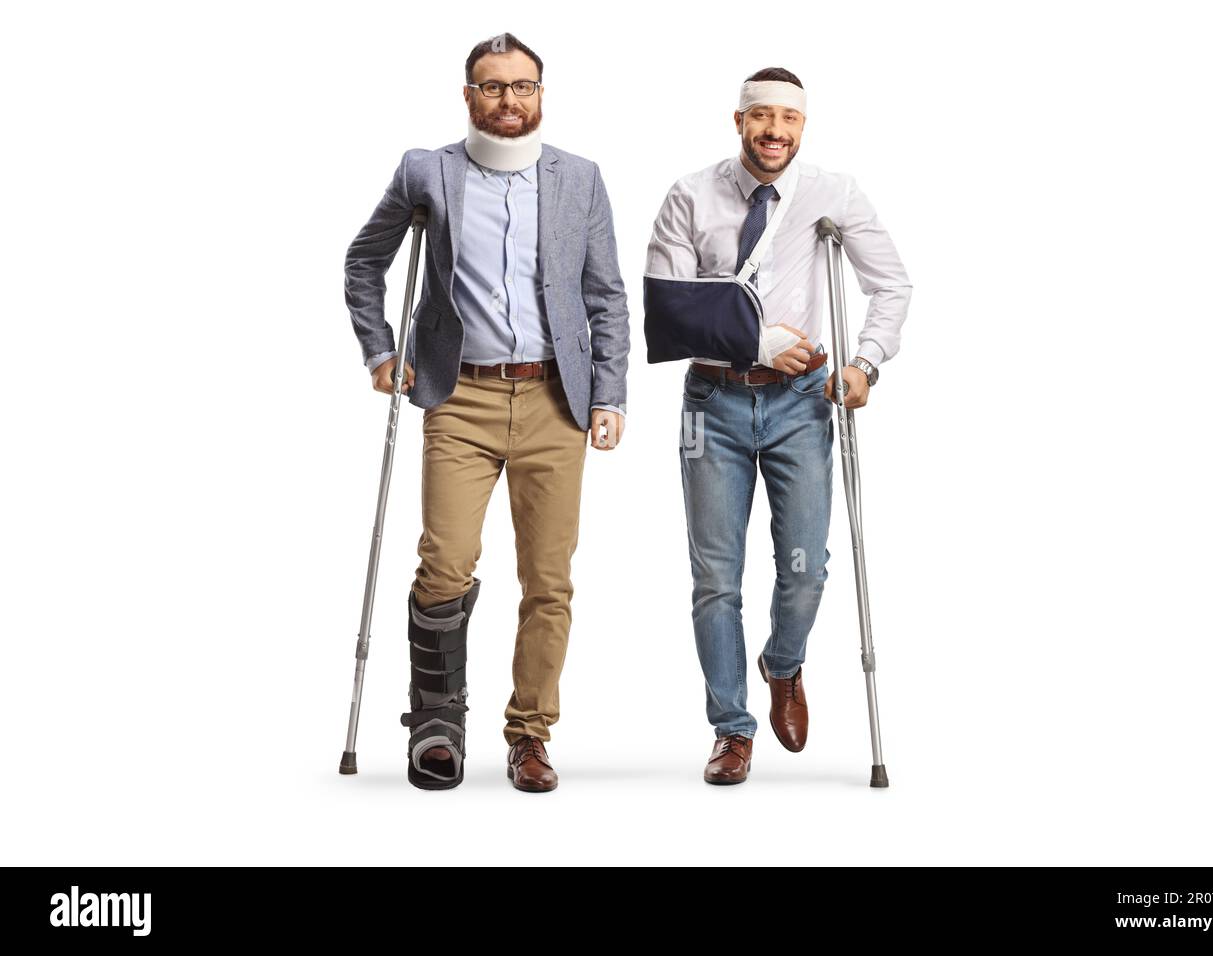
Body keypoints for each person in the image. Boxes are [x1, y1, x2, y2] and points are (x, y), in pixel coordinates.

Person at [343, 32, 629, 792]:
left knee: (548, 581)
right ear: (469, 95)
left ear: (542, 93)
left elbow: (606, 295)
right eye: (494, 87)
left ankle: (530, 735)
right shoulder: (426, 172)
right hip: (458, 394)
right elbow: (365, 260)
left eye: (523, 86)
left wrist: (610, 393)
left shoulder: (581, 179)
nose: (510, 99)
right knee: (445, 563)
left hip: (554, 400)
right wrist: (379, 352)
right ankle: (436, 721)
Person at [644, 67, 912, 784]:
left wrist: (866, 364)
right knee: (716, 579)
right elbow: (669, 313)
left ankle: (782, 663)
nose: (773, 132)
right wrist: (754, 340)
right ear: (738, 122)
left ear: (802, 126)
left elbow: (891, 283)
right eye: (760, 117)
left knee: (805, 569)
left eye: (787, 120)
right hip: (713, 402)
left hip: (801, 404)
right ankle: (732, 729)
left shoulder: (834, 193)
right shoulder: (690, 195)